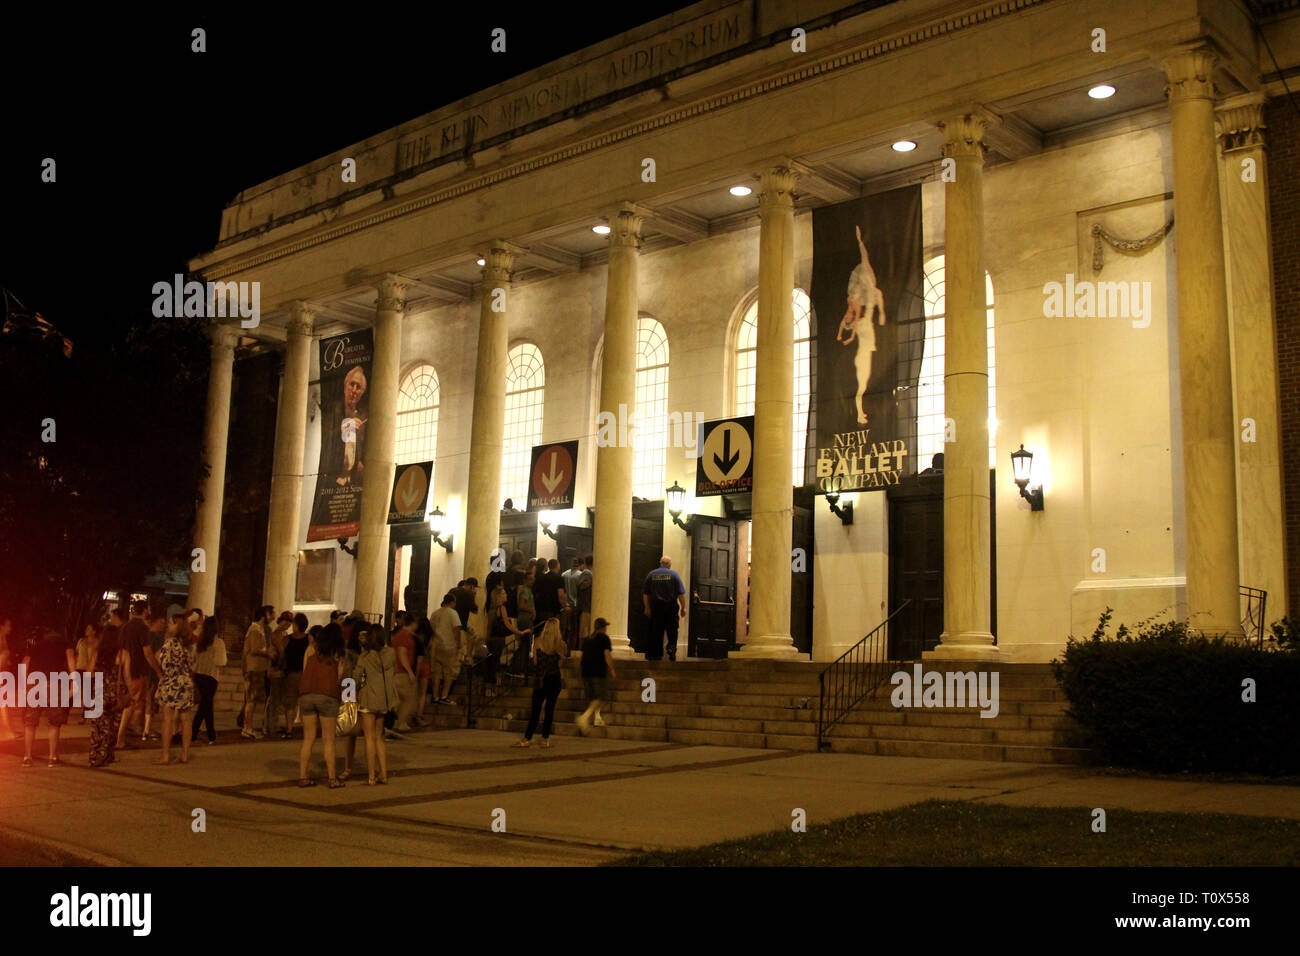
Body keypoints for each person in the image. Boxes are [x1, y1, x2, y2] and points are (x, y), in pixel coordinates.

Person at [836, 224, 887, 426]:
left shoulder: (857, 314)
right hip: (864, 352)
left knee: (866, 263)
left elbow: (847, 323)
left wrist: (843, 335)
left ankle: (860, 241)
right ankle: (859, 413)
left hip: (865, 348)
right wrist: (846, 335)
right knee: (862, 386)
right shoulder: (859, 318)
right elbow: (851, 323)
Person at [298, 622, 347, 788]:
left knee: (308, 738)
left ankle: (303, 776)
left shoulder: (311, 649)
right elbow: (340, 676)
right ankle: (332, 778)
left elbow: (305, 669)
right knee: (328, 739)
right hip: (327, 695)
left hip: (306, 693)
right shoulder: (337, 653)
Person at [22, 629, 77, 768]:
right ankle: (52, 757)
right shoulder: (64, 643)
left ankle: (27, 757)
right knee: (53, 722)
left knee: (30, 722)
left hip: (34, 683)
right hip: (55, 682)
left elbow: (25, 662)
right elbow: (70, 658)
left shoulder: (36, 643)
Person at [353, 625, 398, 785]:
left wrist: (349, 693)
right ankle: (384, 773)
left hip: (368, 699)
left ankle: (371, 775)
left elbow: (356, 678)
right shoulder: (391, 654)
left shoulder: (365, 656)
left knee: (369, 738)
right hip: (384, 700)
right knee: (379, 738)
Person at [514, 618, 567, 748]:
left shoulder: (538, 642)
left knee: (535, 710)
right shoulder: (560, 645)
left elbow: (535, 662)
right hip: (554, 678)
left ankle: (527, 738)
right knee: (549, 710)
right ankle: (545, 739)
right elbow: (562, 660)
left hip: (541, 679)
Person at [115, 601, 161, 750]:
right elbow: (147, 652)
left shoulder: (125, 627)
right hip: (137, 670)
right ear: (146, 610)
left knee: (128, 703)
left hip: (125, 670)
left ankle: (121, 735)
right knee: (132, 704)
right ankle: (121, 738)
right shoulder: (142, 628)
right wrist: (158, 671)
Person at [154, 616, 196, 765]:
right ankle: (185, 754)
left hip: (171, 683)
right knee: (186, 720)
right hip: (185, 682)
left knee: (168, 719)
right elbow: (192, 665)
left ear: (177, 626)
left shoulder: (169, 643)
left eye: (171, 624)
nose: (168, 626)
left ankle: (165, 755)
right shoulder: (189, 645)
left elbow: (164, 664)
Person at [89, 623, 126, 768]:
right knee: (112, 727)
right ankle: (107, 755)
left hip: (99, 691)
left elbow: (89, 672)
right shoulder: (122, 654)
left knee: (97, 726)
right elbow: (127, 674)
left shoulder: (97, 653)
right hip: (115, 693)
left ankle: (94, 755)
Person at [575, 617, 616, 736]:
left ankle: (597, 718)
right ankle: (584, 717)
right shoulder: (604, 638)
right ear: (603, 627)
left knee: (592, 697)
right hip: (598, 671)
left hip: (586, 671)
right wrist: (612, 669)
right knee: (599, 697)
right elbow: (607, 654)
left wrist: (580, 670)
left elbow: (581, 656)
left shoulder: (588, 639)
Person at [486, 584, 529, 696]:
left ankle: (492, 689)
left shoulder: (491, 610)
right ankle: (514, 669)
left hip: (492, 640)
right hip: (501, 639)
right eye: (504, 593)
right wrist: (520, 632)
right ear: (499, 596)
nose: (506, 595)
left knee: (494, 663)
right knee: (519, 643)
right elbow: (507, 625)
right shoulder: (502, 608)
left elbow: (488, 628)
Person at [642, 556, 688, 661]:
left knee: (657, 631)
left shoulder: (651, 574)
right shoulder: (674, 575)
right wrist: (683, 608)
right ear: (670, 564)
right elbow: (681, 594)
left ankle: (656, 654)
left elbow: (646, 594)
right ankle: (671, 648)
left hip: (656, 607)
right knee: (672, 629)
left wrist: (647, 608)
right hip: (671, 607)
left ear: (660, 563)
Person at [191, 617, 228, 745]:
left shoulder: (200, 642)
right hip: (211, 677)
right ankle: (197, 733)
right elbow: (221, 662)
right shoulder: (218, 642)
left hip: (199, 675)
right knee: (205, 706)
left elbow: (193, 659)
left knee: (206, 705)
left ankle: (210, 734)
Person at [241, 605, 274, 740]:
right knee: (251, 700)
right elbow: (254, 649)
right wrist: (268, 653)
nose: (273, 617)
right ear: (264, 614)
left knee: (252, 700)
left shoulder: (259, 629)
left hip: (257, 668)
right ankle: (247, 728)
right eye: (271, 614)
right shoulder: (255, 629)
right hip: (254, 668)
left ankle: (248, 727)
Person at [429, 591, 463, 705]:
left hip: (436, 646)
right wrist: (458, 643)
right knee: (448, 672)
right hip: (448, 645)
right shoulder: (452, 613)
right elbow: (456, 629)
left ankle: (435, 696)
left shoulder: (435, 613)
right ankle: (444, 695)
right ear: (452, 602)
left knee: (436, 673)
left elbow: (431, 629)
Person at [279, 613, 309, 738]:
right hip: (305, 674)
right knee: (305, 703)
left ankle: (289, 729)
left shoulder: (288, 639)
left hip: (291, 674)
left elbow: (281, 655)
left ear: (295, 625)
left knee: (290, 703)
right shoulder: (308, 640)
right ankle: (307, 728)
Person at [265, 611, 293, 736]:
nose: (287, 624)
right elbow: (281, 651)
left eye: (290, 621)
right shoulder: (276, 634)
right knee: (274, 699)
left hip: (280, 669)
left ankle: (273, 724)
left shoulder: (283, 633)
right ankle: (270, 726)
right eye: (286, 620)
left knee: (277, 699)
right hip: (276, 669)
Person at [389, 611, 418, 731]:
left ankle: (397, 723)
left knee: (400, 700)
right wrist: (410, 672)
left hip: (398, 672)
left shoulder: (400, 635)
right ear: (413, 623)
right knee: (408, 699)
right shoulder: (404, 636)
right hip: (402, 673)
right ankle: (400, 723)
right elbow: (402, 654)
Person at [508, 562, 537, 677]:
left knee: (526, 644)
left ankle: (522, 667)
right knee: (524, 644)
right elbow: (521, 605)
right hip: (525, 620)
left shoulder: (527, 590)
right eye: (530, 579)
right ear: (525, 580)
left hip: (527, 619)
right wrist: (532, 610)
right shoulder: (524, 590)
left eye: (533, 579)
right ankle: (518, 668)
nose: (532, 581)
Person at [534, 559, 566, 632]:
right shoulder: (559, 579)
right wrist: (565, 606)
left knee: (542, 630)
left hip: (542, 608)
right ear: (557, 565)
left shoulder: (542, 578)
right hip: (554, 609)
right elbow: (560, 595)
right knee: (553, 631)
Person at [414, 615, 434, 725]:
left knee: (414, 692)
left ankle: (412, 714)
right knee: (422, 693)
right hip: (425, 663)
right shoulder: (430, 637)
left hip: (415, 663)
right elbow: (432, 651)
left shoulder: (414, 636)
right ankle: (419, 716)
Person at [0, 617, 17, 740]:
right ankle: (8, 731)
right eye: (8, 625)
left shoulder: (3, 639)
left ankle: (8, 730)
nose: (10, 628)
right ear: (2, 626)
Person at [561, 557, 583, 651]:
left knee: (564, 629)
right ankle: (571, 650)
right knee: (574, 630)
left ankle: (563, 648)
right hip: (575, 605)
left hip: (565, 605)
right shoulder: (580, 575)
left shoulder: (564, 574)